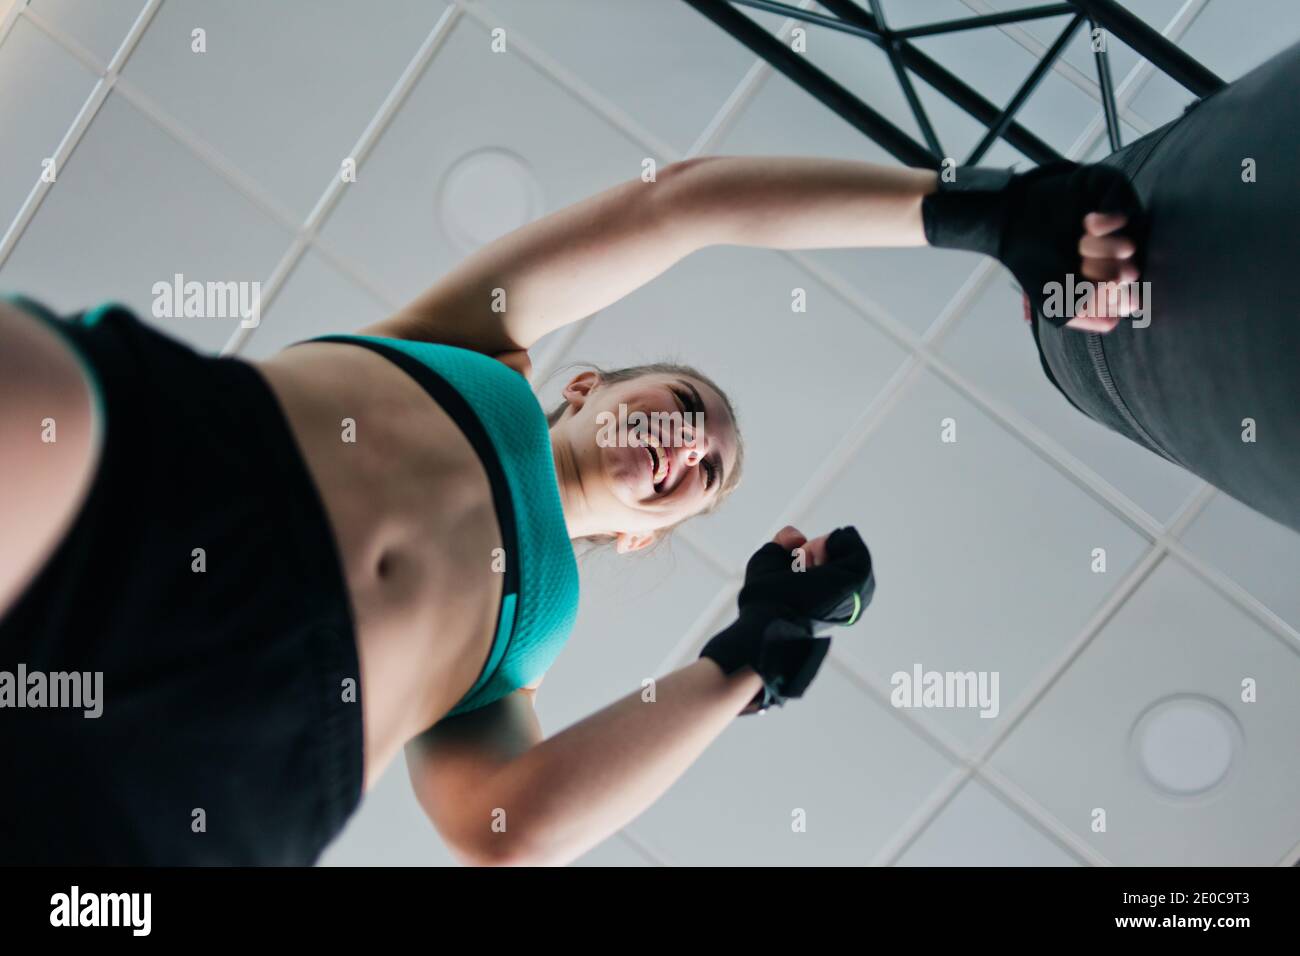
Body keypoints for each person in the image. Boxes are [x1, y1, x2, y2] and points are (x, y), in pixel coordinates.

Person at [1, 128, 1156, 865]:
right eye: (680, 405)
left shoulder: (524, 649)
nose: (684, 448)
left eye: (701, 475)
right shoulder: (471, 341)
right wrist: (987, 214)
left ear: (654, 530)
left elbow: (507, 825)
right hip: (166, 474)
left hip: (236, 760)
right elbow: (683, 205)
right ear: (591, 382)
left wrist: (755, 653)